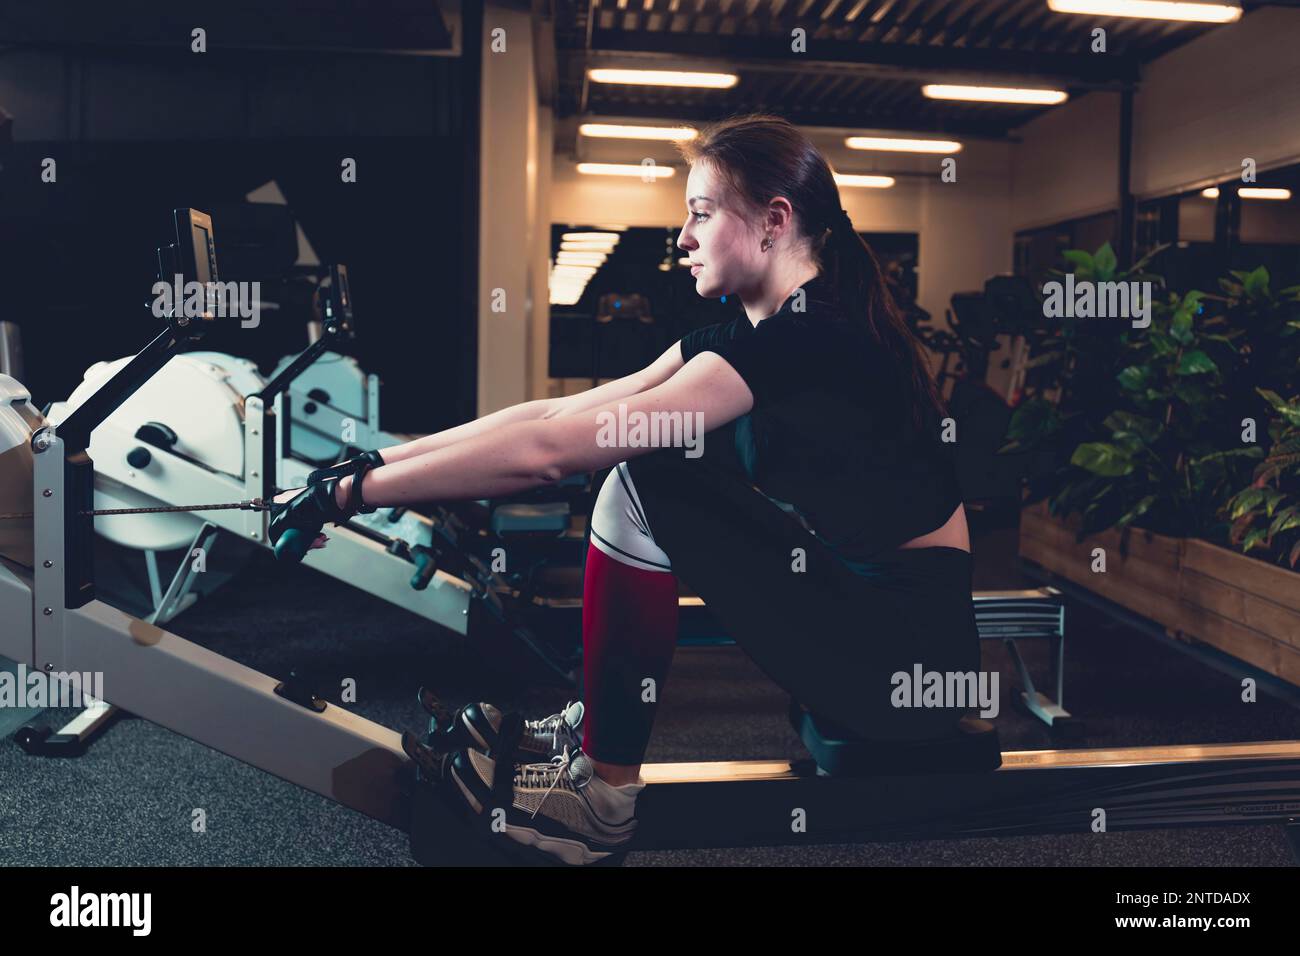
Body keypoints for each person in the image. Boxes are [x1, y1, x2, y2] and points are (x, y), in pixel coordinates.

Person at [271, 114, 979, 865]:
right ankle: (593, 739)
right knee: (641, 464)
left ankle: (604, 797)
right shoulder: (749, 334)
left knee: (641, 474)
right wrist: (371, 464)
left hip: (903, 668)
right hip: (867, 631)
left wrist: (354, 497)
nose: (682, 238)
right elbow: (552, 413)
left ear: (774, 222)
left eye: (701, 215)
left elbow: (553, 454)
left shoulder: (811, 337)